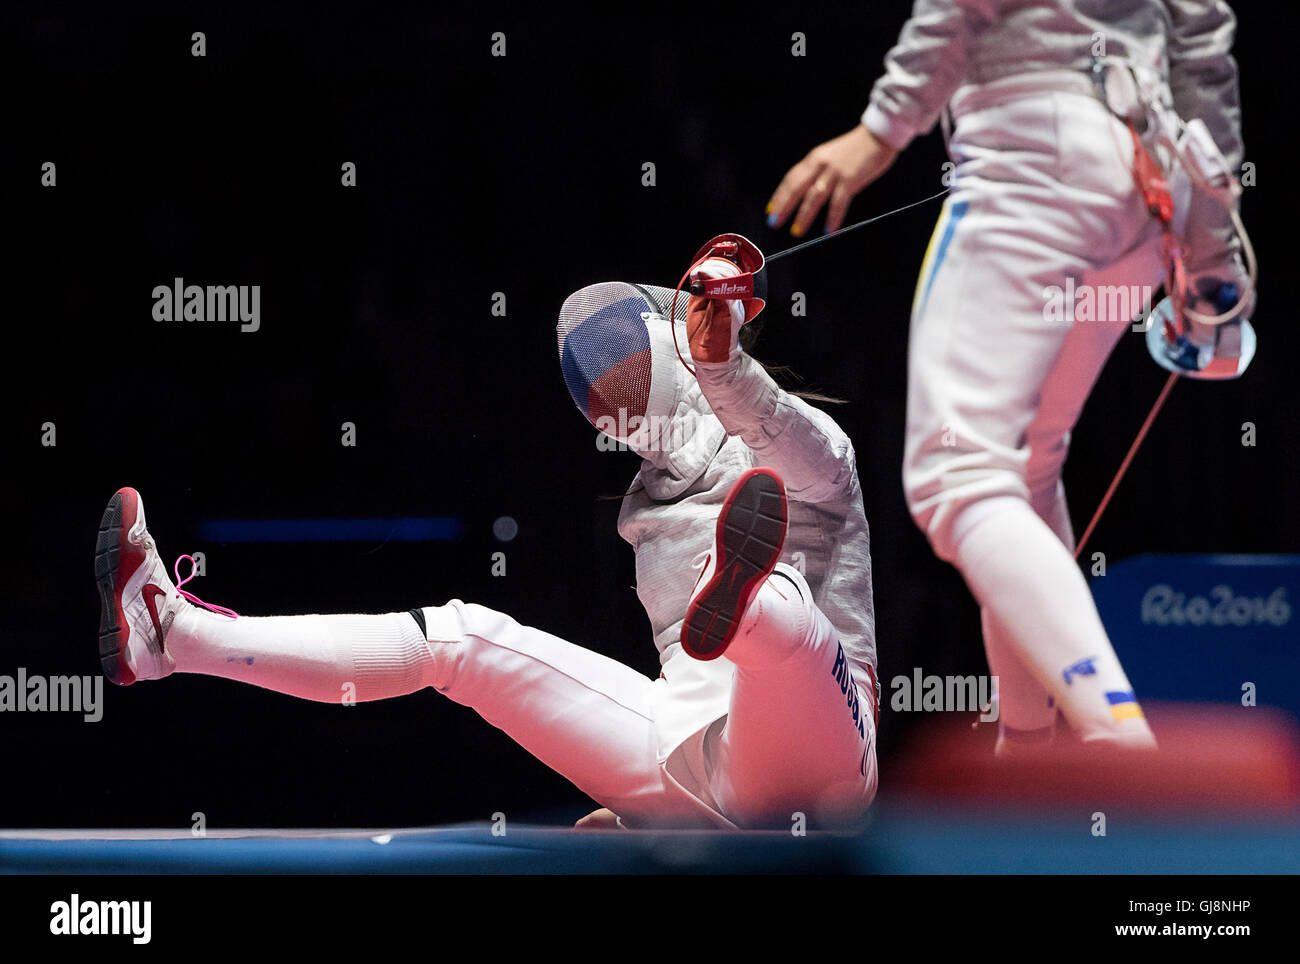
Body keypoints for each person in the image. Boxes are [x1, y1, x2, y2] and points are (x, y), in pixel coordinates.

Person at [94, 249, 880, 829]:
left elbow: (802, 449)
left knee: (780, 604)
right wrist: (647, 801)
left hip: (823, 758)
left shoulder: (811, 452)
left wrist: (726, 364)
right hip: (689, 759)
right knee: (463, 639)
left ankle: (744, 603)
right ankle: (172, 637)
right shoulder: (649, 512)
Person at [766, 0, 1248, 752]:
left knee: (954, 477)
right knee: (1025, 469)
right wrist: (1213, 245)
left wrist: (882, 128)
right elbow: (1203, 46)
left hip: (1035, 156)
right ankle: (1030, 755)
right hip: (1145, 181)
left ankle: (1116, 736)